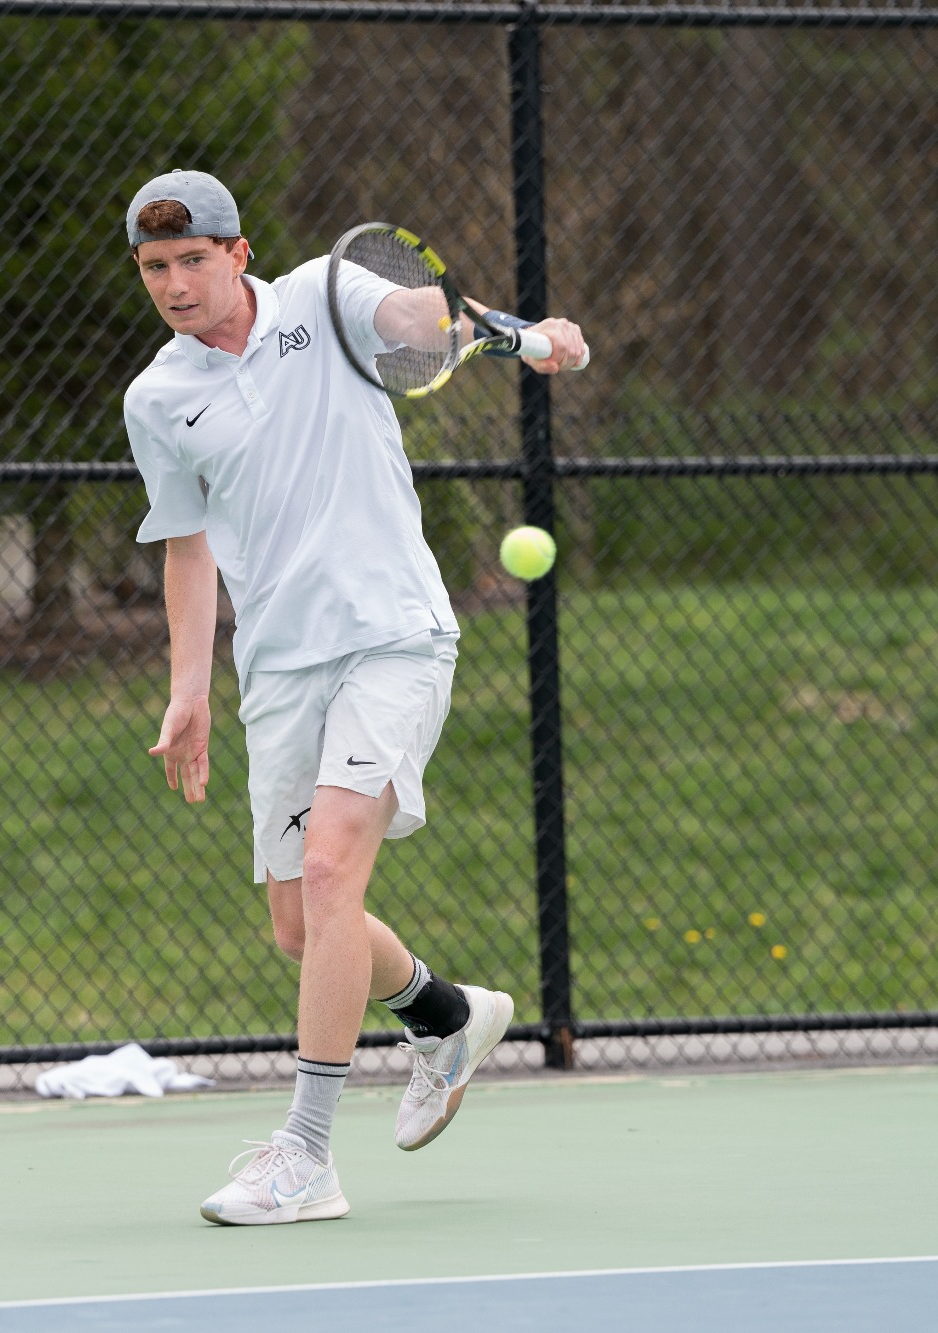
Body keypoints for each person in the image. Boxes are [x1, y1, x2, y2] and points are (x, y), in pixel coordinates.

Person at [120, 170, 587, 1226]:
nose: (176, 283)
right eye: (155, 267)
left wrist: (515, 332)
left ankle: (306, 1154)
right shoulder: (157, 397)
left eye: (194, 259)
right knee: (298, 925)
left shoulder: (322, 297)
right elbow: (186, 545)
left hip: (391, 635)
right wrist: (186, 687)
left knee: (331, 866)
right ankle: (443, 1013)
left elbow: (416, 315)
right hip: (279, 668)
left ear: (237, 256)